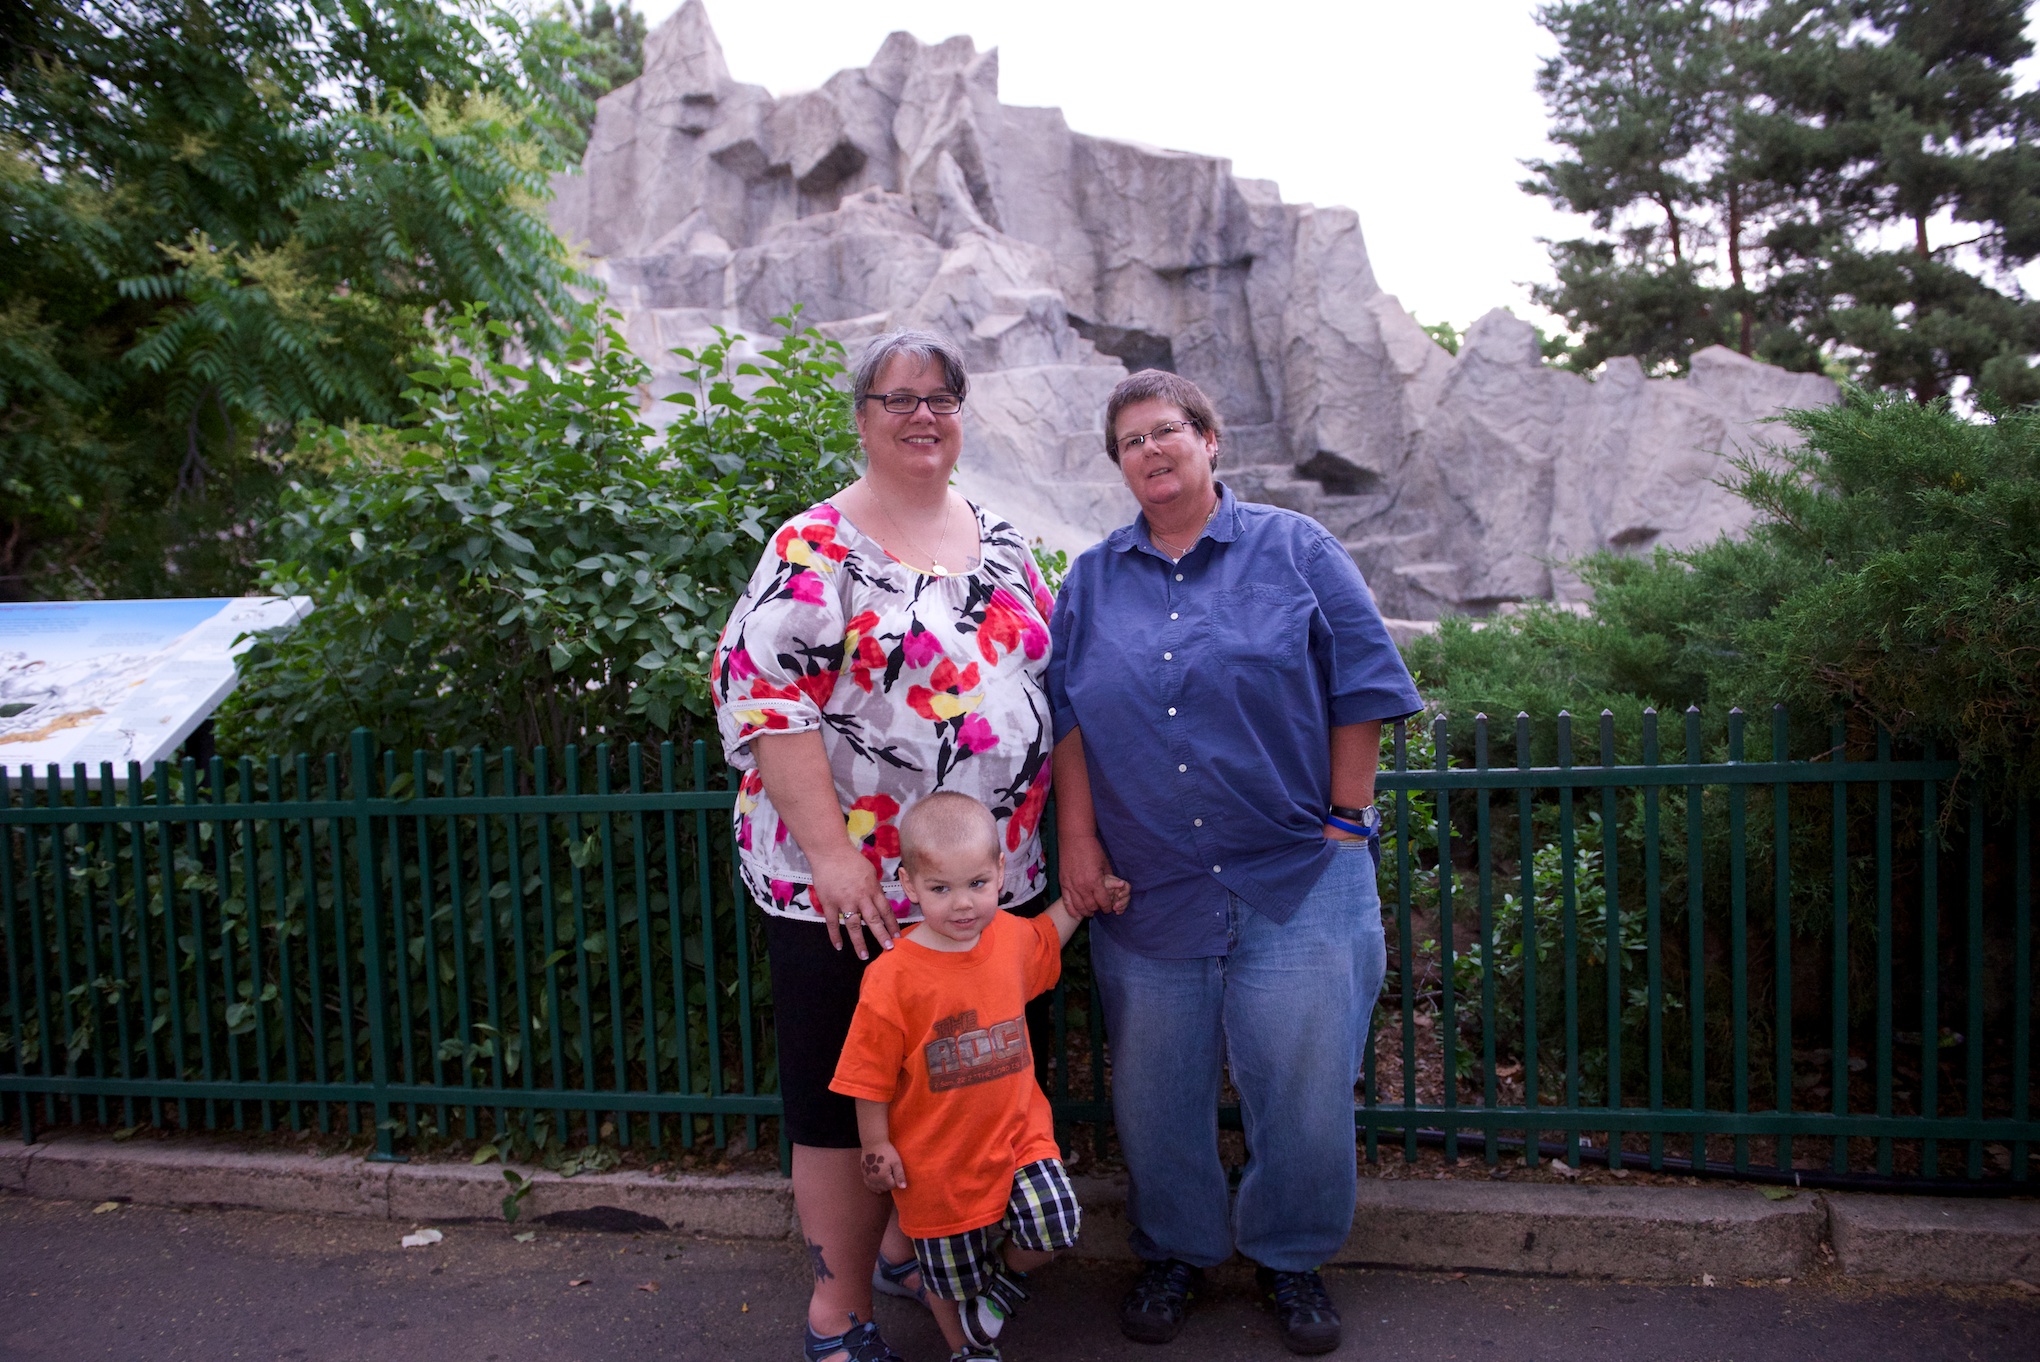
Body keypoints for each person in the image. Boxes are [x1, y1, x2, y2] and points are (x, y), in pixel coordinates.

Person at [1044, 369, 1423, 1355]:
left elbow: (1363, 683)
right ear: (1119, 464)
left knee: (1303, 1087)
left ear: (1210, 440)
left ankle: (1291, 1257)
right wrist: (1078, 841)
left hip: (1298, 874)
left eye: (1167, 429)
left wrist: (1347, 822)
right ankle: (1176, 1251)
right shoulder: (1091, 581)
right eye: (1130, 440)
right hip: (1150, 884)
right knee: (1155, 1092)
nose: (1151, 450)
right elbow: (1068, 718)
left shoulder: (1297, 549)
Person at [711, 332, 1059, 1362]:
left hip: (984, 894)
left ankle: (913, 1253)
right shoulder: (815, 545)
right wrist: (833, 855)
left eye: (940, 397)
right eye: (898, 398)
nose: (922, 415)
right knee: (842, 1102)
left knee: (954, 1090)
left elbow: (1058, 683)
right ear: (862, 418)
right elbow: (764, 699)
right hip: (851, 896)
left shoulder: (1003, 542)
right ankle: (839, 1311)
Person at [832, 793, 1124, 1362]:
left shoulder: (1009, 938)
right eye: (941, 888)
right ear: (909, 884)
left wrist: (1088, 900)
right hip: (934, 1162)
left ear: (1000, 872)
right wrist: (876, 1145)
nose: (962, 903)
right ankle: (968, 1349)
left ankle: (1003, 1284)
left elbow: (1048, 934)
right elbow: (868, 1075)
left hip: (1018, 1138)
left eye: (976, 884)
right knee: (950, 1280)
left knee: (1055, 1224)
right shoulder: (892, 977)